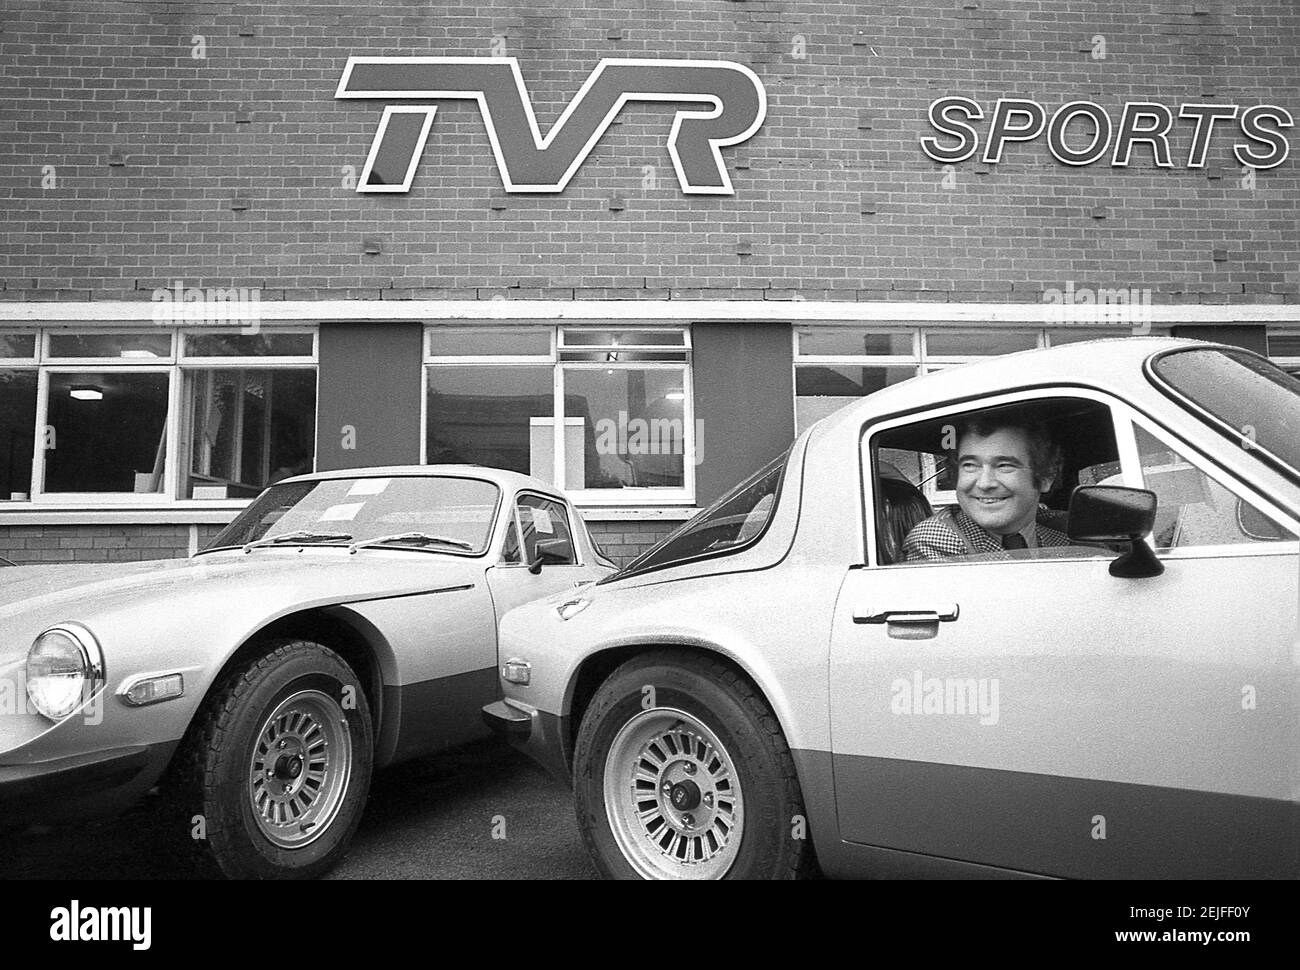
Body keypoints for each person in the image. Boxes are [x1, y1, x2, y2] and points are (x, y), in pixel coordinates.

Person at [903, 412, 1070, 562]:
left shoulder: (1061, 535)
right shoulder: (936, 540)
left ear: (1046, 477)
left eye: (1004, 465)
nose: (984, 483)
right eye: (970, 465)